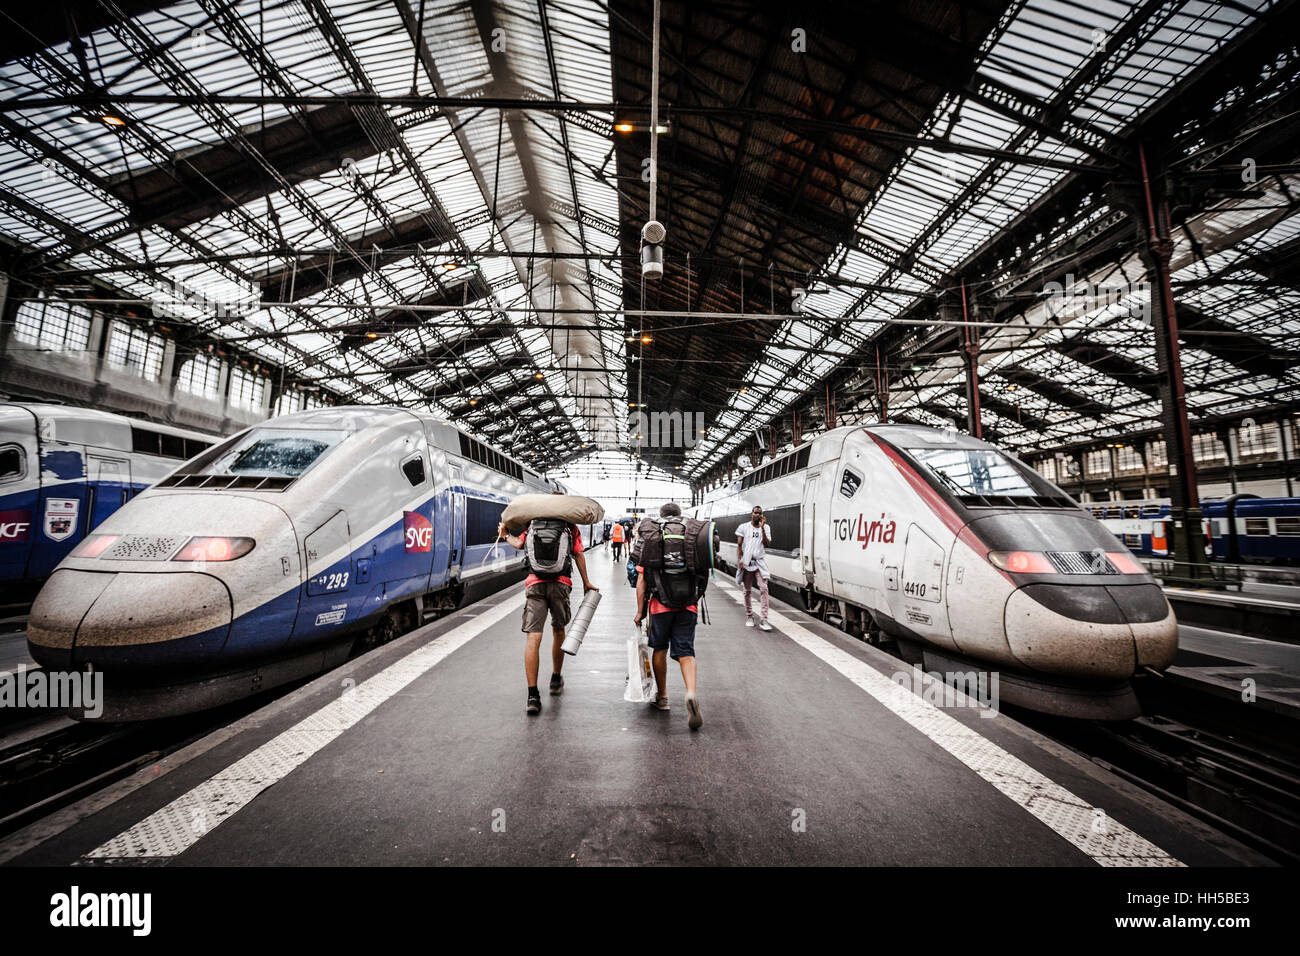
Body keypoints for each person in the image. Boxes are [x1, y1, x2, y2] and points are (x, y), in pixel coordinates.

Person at [499, 506, 597, 715]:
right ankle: (555, 678)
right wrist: (587, 582)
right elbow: (578, 555)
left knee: (533, 638)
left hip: (535, 584)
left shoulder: (534, 523)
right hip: (560, 584)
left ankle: (533, 696)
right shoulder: (569, 526)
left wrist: (505, 534)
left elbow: (518, 544)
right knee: (559, 630)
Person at [633, 502, 702, 730]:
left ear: (661, 516)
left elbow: (641, 580)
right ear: (679, 516)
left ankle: (662, 697)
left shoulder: (653, 535)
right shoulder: (691, 535)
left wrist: (640, 612)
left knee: (660, 649)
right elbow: (703, 571)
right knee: (686, 651)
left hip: (659, 604)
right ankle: (690, 692)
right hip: (688, 604)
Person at [736, 505, 772, 631]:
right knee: (747, 591)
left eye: (760, 513)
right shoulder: (743, 527)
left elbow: (767, 544)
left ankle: (764, 619)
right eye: (755, 513)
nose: (757, 515)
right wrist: (739, 560)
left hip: (760, 562)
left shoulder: (766, 528)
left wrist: (762, 528)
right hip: (747, 562)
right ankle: (749, 616)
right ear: (751, 513)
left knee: (764, 588)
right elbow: (739, 545)